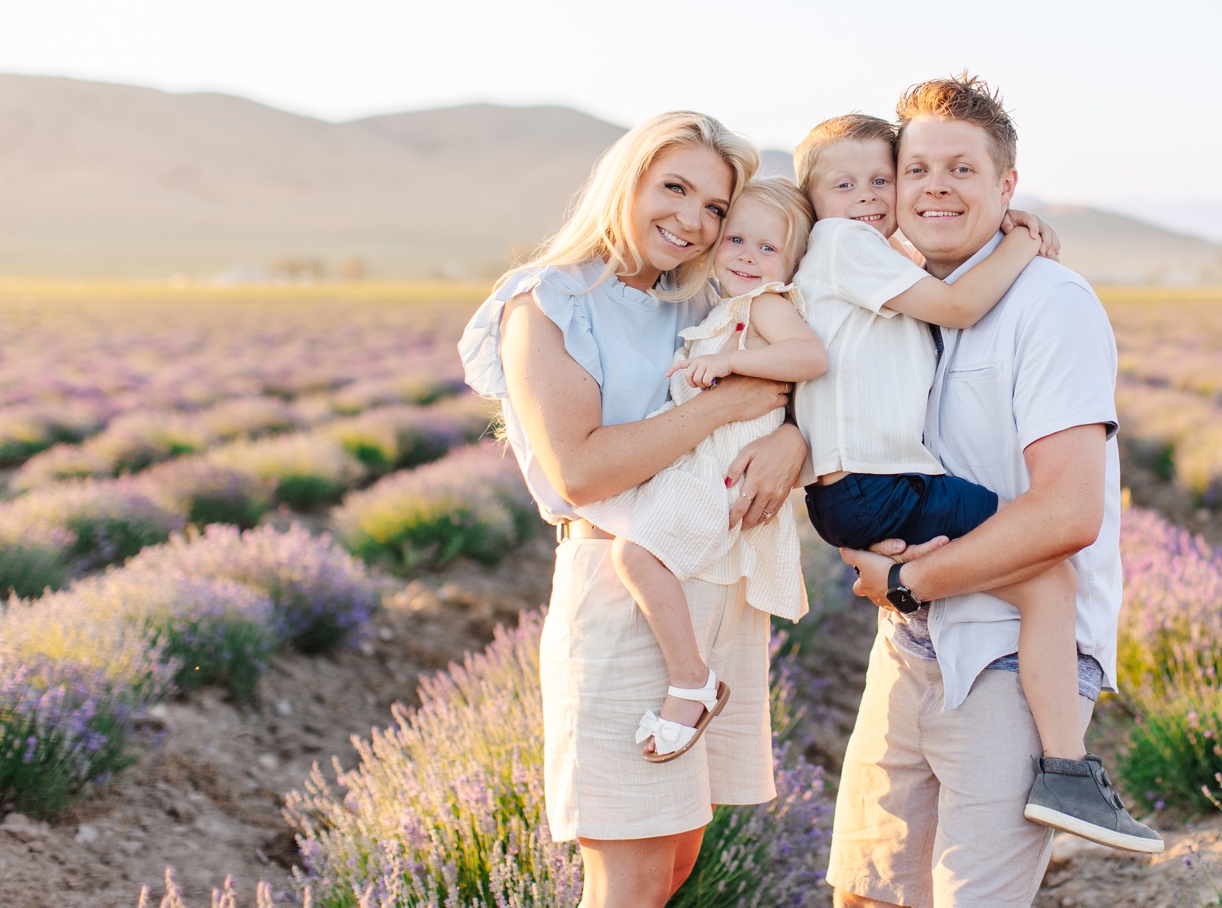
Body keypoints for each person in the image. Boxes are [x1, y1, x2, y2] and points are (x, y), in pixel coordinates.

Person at [457, 112, 809, 908]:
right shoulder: (546, 303)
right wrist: (726, 408)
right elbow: (580, 469)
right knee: (629, 874)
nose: (693, 221)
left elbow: (806, 362)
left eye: (716, 209)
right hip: (621, 587)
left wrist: (793, 442)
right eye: (675, 189)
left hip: (716, 580)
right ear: (629, 182)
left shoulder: (703, 296)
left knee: (680, 854)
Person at [826, 75, 1153, 908]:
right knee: (867, 893)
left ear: (1007, 187)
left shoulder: (1051, 303)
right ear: (889, 190)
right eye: (918, 168)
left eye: (963, 169)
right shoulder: (895, 299)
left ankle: (1072, 772)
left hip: (1008, 657)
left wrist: (906, 579)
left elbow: (1068, 512)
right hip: (908, 648)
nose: (937, 185)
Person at [588, 177, 825, 762]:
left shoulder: (764, 306)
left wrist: (728, 361)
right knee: (629, 542)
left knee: (634, 556)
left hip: (721, 473)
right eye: (737, 238)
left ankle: (692, 682)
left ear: (793, 264)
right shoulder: (718, 306)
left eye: (768, 249)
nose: (747, 255)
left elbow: (810, 357)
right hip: (697, 466)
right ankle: (692, 677)